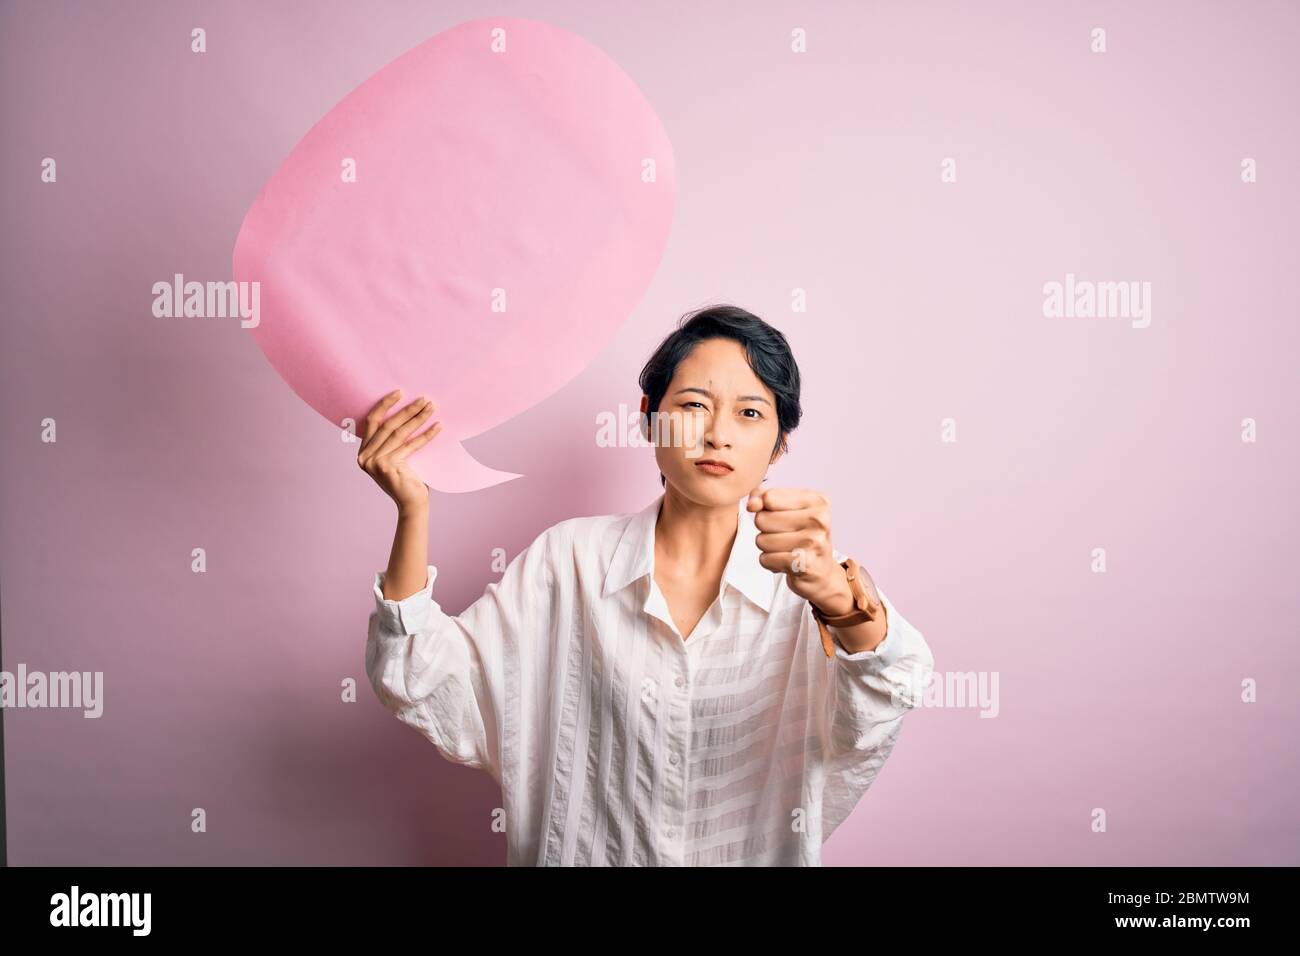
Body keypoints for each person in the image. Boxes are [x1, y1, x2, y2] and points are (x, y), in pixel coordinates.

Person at [360, 303, 934, 866]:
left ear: (781, 442)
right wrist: (413, 511)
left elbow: (887, 698)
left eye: (751, 414)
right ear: (648, 417)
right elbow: (424, 677)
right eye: (692, 405)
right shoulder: (571, 560)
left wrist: (842, 603)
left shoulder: (815, 586)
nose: (717, 435)